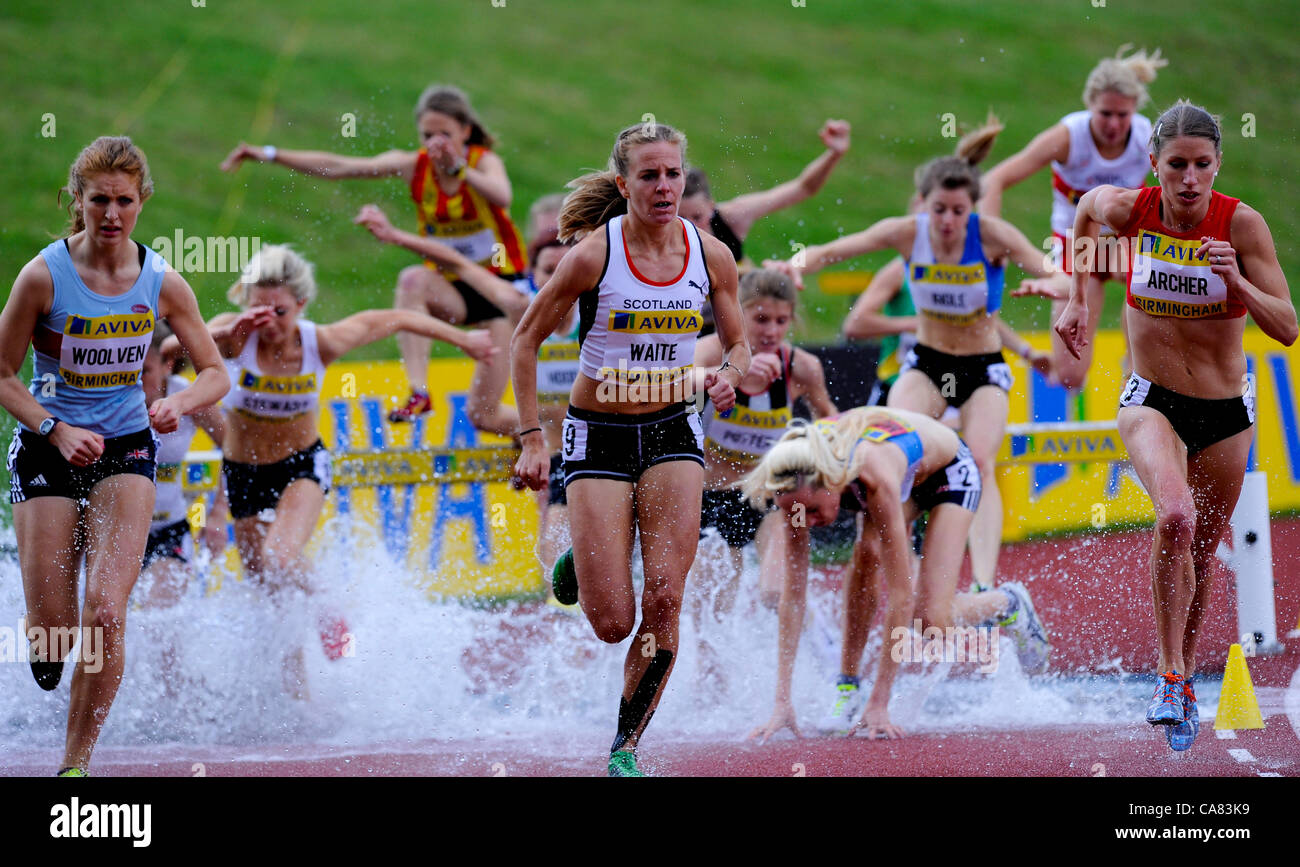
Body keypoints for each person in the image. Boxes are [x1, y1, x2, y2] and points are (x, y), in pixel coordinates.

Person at [1054, 101, 1296, 751]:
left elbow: (1288, 327)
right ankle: (1169, 676)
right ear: (1154, 165)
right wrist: (1079, 298)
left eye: (1202, 165)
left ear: (1218, 164)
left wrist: (1237, 282)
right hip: (1150, 397)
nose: (1190, 179)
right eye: (1177, 165)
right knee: (1176, 518)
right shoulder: (1128, 209)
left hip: (1223, 409)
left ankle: (1184, 676)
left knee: (1200, 546)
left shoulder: (1241, 225)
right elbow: (1081, 213)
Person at [512, 121, 748, 776]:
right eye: (649, 175)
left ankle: (626, 745)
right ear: (624, 184)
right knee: (614, 621)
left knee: (666, 597)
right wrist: (533, 437)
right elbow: (524, 341)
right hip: (599, 433)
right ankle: (581, 564)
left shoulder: (712, 256)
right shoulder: (592, 256)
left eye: (673, 173)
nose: (664, 186)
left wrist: (732, 373)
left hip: (675, 429)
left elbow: (738, 343)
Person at [0, 136, 228, 775]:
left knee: (106, 608)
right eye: (98, 199)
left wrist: (179, 407)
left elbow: (214, 372)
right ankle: (47, 642)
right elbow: (2, 373)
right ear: (78, 200)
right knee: (52, 640)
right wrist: (54, 428)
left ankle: (75, 766)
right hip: (50, 449)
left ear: (142, 202)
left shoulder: (161, 280)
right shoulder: (43, 275)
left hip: (126, 447)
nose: (111, 214)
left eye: (124, 201)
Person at [770, 115, 1068, 593]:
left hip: (981, 368)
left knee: (981, 460)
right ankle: (888, 558)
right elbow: (837, 249)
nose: (948, 223)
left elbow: (1061, 276)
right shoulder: (907, 233)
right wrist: (795, 262)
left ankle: (986, 584)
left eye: (957, 211)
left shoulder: (994, 235)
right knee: (895, 455)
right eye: (938, 211)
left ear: (972, 207)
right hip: (927, 364)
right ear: (922, 205)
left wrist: (1046, 283)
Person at [198, 243, 496, 697]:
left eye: (278, 311)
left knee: (281, 556)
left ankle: (329, 608)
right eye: (257, 309)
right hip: (243, 471)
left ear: (300, 305)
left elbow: (397, 319)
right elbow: (175, 344)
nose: (268, 322)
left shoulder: (323, 342)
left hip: (301, 465)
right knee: (268, 591)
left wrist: (466, 341)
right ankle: (297, 696)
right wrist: (230, 333)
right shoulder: (231, 334)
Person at [219, 84, 526, 431]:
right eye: (427, 135)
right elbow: (340, 167)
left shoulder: (483, 162)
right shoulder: (415, 166)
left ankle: (551, 440)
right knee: (412, 279)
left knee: (483, 416)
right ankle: (419, 391)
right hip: (453, 288)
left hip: (500, 292)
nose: (435, 144)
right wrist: (269, 153)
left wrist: (458, 169)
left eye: (445, 135)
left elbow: (502, 196)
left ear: (466, 132)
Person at [741, 408, 1050, 742]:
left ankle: (1008, 603)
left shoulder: (875, 477)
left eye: (813, 510)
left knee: (929, 622)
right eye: (798, 512)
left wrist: (880, 703)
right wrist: (782, 702)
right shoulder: (796, 488)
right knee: (866, 553)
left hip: (947, 474)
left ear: (833, 481)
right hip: (901, 470)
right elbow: (793, 596)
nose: (807, 521)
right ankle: (846, 689)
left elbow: (901, 595)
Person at [981, 46, 1167, 388]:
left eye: (1122, 115)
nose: (1114, 125)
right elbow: (994, 179)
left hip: (1122, 239)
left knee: (1143, 276)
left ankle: (1136, 370)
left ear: (1134, 111)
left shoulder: (1147, 137)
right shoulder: (1068, 137)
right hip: (1076, 242)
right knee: (1069, 376)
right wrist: (991, 244)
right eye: (1105, 113)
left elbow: (1181, 184)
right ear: (1089, 105)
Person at [690, 267, 836, 676]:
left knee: (774, 591)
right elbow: (669, 391)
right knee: (707, 611)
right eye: (760, 319)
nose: (771, 330)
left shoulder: (801, 367)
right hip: (710, 497)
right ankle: (712, 689)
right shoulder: (708, 353)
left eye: (781, 321)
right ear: (737, 314)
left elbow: (831, 421)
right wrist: (724, 378)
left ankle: (832, 664)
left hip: (772, 496)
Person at [679, 120, 851, 265]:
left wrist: (833, 155)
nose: (690, 227)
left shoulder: (733, 217)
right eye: (680, 219)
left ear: (711, 207)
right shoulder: (653, 231)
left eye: (697, 217)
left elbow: (803, 188)